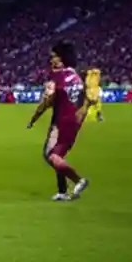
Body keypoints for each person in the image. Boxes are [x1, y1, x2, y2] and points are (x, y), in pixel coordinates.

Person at [27, 41, 91, 202]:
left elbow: (47, 100)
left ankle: (78, 180)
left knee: (50, 155)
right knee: (58, 154)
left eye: (54, 56)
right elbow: (86, 100)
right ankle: (62, 191)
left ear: (62, 58)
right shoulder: (77, 77)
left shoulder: (56, 76)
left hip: (60, 121)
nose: (51, 60)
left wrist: (34, 118)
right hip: (74, 122)